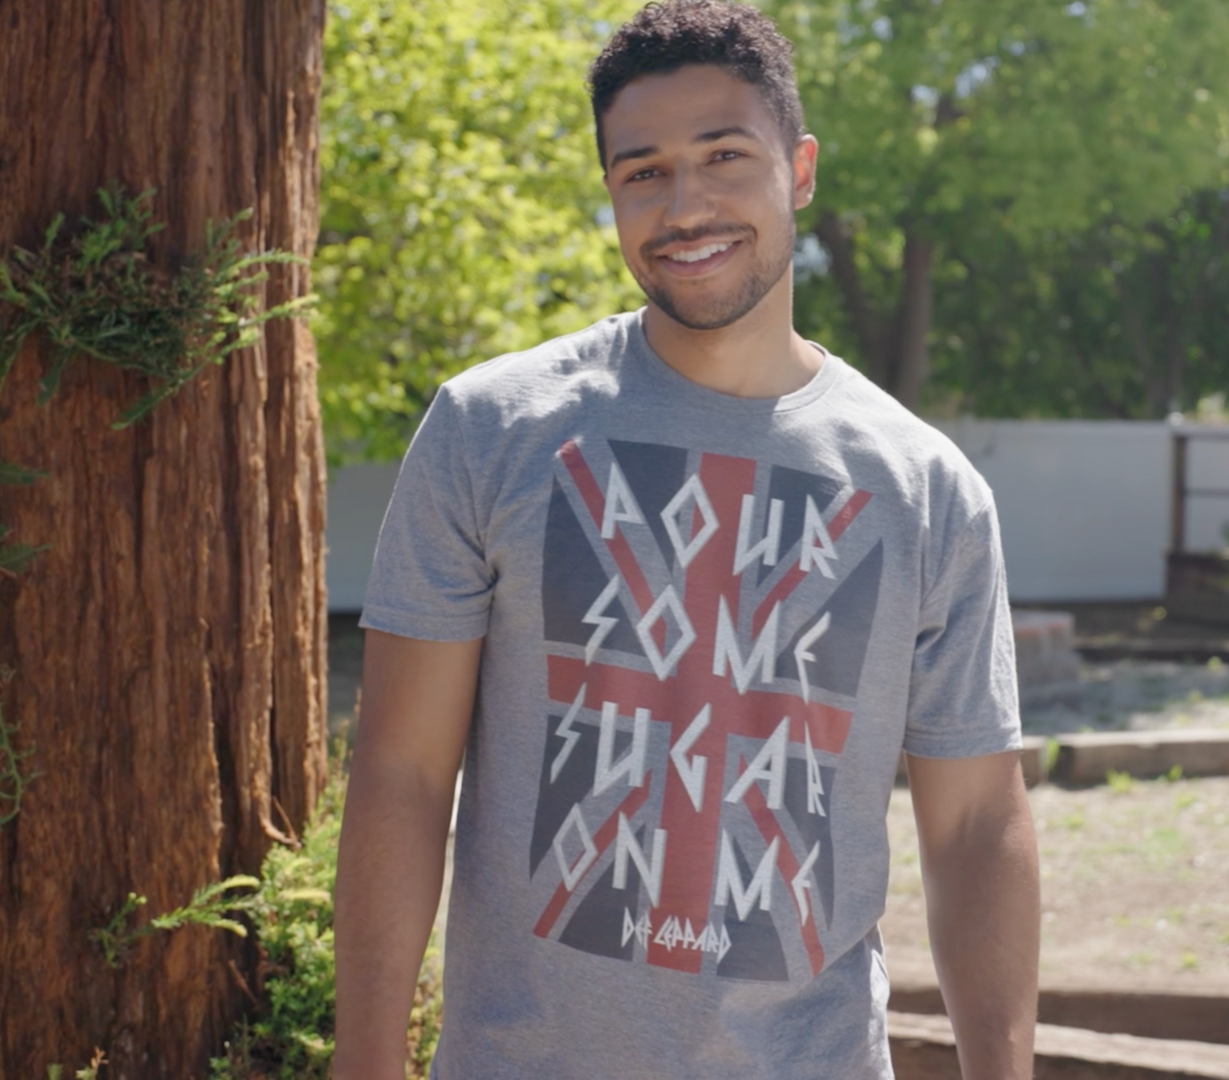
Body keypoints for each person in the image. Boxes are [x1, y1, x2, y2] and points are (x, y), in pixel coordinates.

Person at [331, 2, 1039, 1077]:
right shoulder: (492, 430)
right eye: (643, 172)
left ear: (800, 170)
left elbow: (977, 823)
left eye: (724, 156)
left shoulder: (926, 490)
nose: (685, 205)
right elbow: (402, 772)